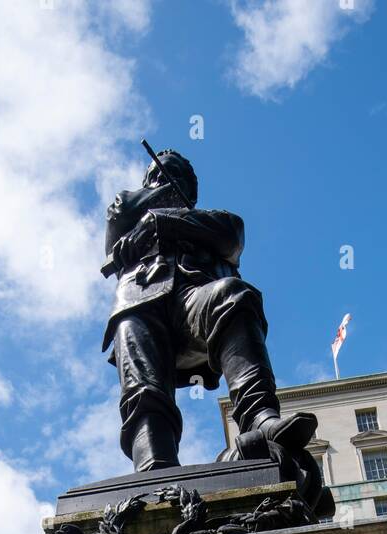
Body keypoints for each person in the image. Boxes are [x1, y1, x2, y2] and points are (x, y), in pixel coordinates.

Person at [103, 149, 317, 473]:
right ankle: (153, 464)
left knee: (233, 295)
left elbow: (231, 235)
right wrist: (159, 196)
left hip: (192, 298)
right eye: (155, 176)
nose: (161, 179)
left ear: (189, 190)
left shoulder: (213, 219)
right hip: (138, 300)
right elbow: (119, 213)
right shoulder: (129, 210)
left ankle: (260, 419)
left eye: (171, 175)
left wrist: (163, 221)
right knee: (139, 371)